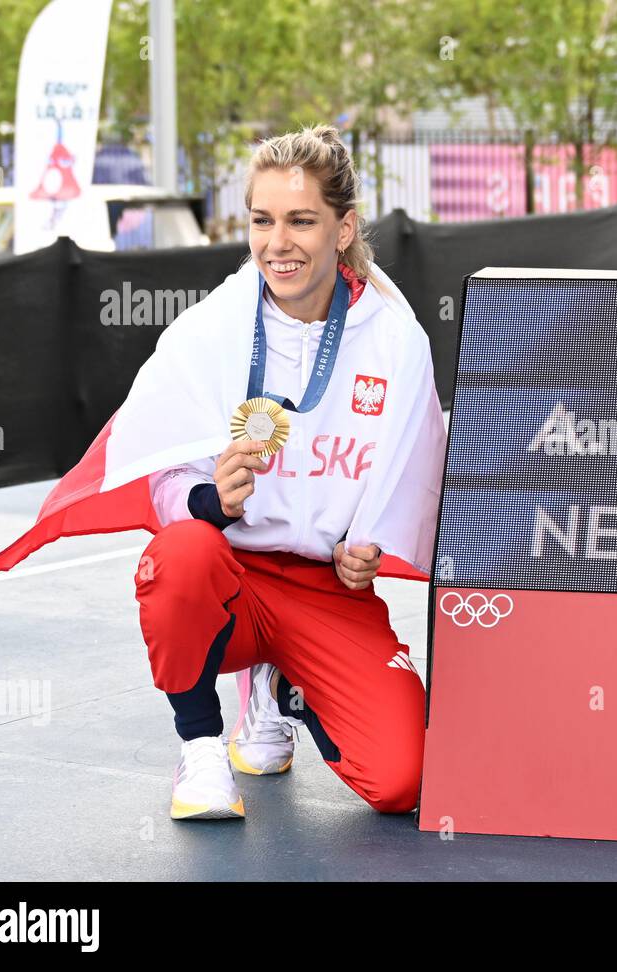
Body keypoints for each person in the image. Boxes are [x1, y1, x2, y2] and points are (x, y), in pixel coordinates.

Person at [138, 125, 443, 819]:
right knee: (180, 552)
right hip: (231, 578)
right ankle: (203, 749)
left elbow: (409, 477)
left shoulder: (396, 341)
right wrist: (210, 500)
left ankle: (279, 690)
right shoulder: (209, 330)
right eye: (262, 220)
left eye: (302, 220)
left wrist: (366, 546)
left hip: (326, 588)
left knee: (404, 781)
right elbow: (163, 486)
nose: (279, 242)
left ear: (343, 229)